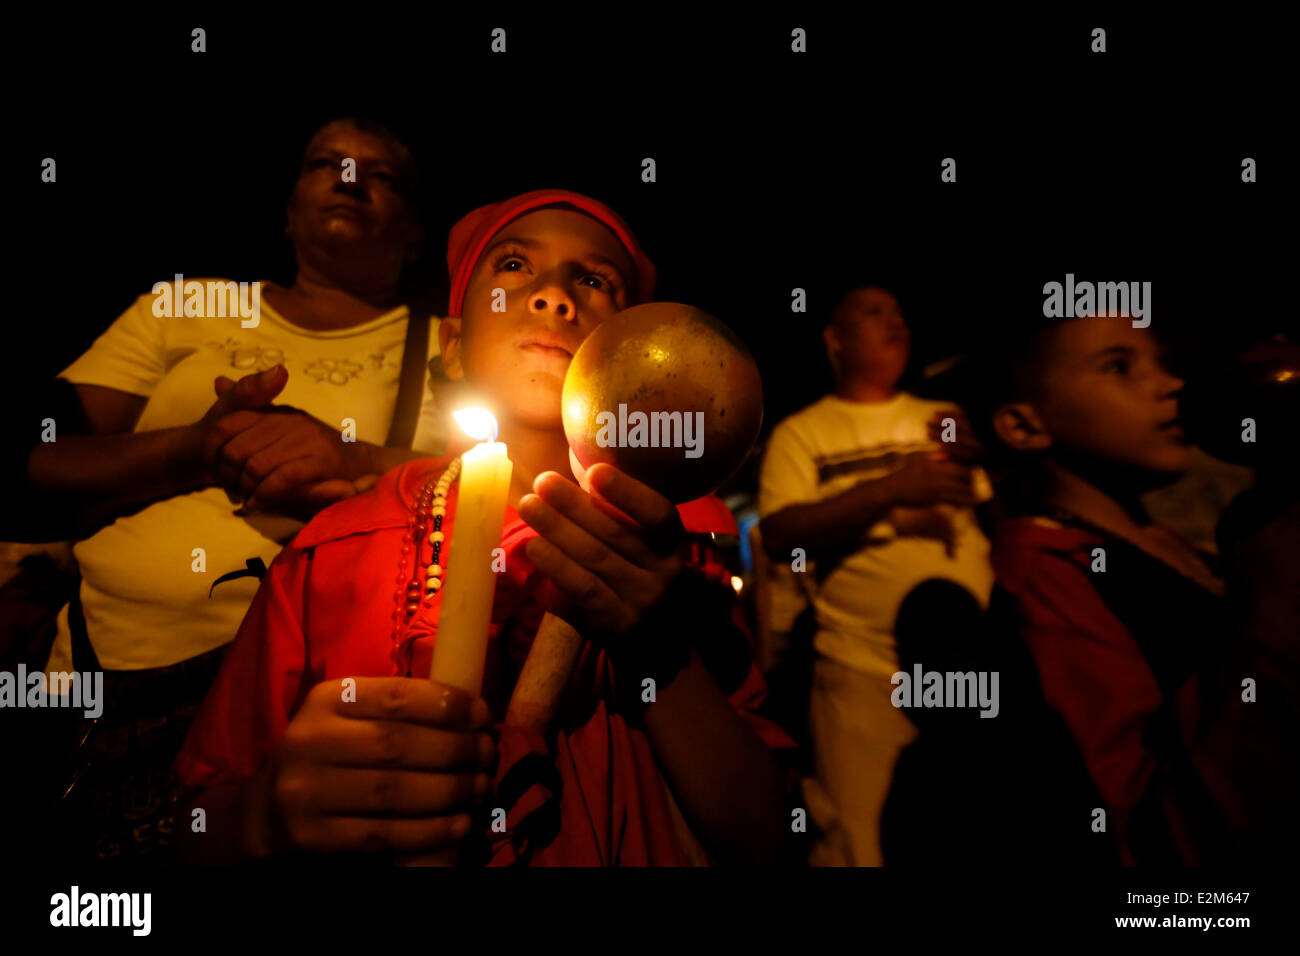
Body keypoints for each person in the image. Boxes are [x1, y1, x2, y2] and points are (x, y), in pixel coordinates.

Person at [174, 189, 796, 866]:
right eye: (512, 267)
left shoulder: (684, 567)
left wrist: (656, 647)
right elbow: (198, 826)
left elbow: (771, 835)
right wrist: (269, 818)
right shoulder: (340, 546)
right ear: (453, 345)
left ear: (640, 348)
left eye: (593, 281)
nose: (555, 297)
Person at [14, 117, 446, 862]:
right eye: (327, 164)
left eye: (382, 177)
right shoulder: (188, 306)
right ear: (286, 211)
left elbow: (488, 489)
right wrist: (197, 448)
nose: (350, 181)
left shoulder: (449, 345)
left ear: (413, 233)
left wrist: (352, 458)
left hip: (295, 717)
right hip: (88, 697)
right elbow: (31, 470)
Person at [968, 311, 1300, 864]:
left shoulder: (1169, 543)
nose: (1172, 385)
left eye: (1163, 364)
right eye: (1118, 367)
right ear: (1024, 426)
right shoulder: (1044, 573)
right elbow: (1141, 822)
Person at [757, 285, 993, 865]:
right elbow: (782, 532)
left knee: (982, 821)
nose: (896, 322)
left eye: (900, 311)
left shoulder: (938, 419)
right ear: (834, 339)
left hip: (975, 657)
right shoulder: (802, 434)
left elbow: (987, 511)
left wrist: (985, 454)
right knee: (869, 838)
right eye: (874, 311)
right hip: (862, 670)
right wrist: (893, 490)